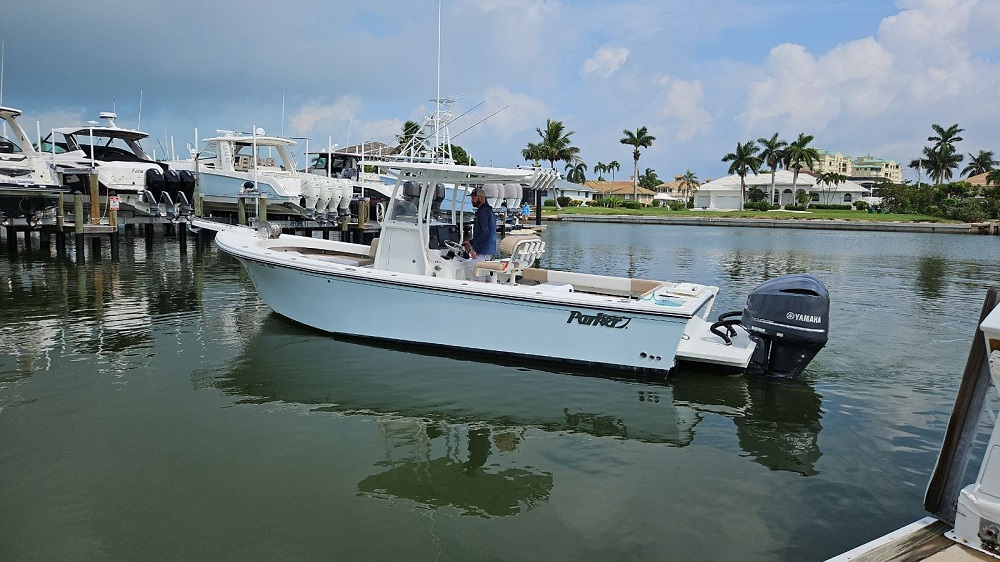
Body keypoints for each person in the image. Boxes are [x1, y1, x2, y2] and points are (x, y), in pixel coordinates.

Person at [464, 187, 497, 275]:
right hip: (489, 251)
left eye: (473, 197)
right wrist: (471, 242)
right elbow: (485, 231)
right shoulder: (489, 210)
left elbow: (484, 232)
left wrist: (475, 249)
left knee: (477, 277)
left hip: (482, 252)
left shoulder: (483, 212)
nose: (471, 200)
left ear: (481, 198)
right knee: (487, 278)